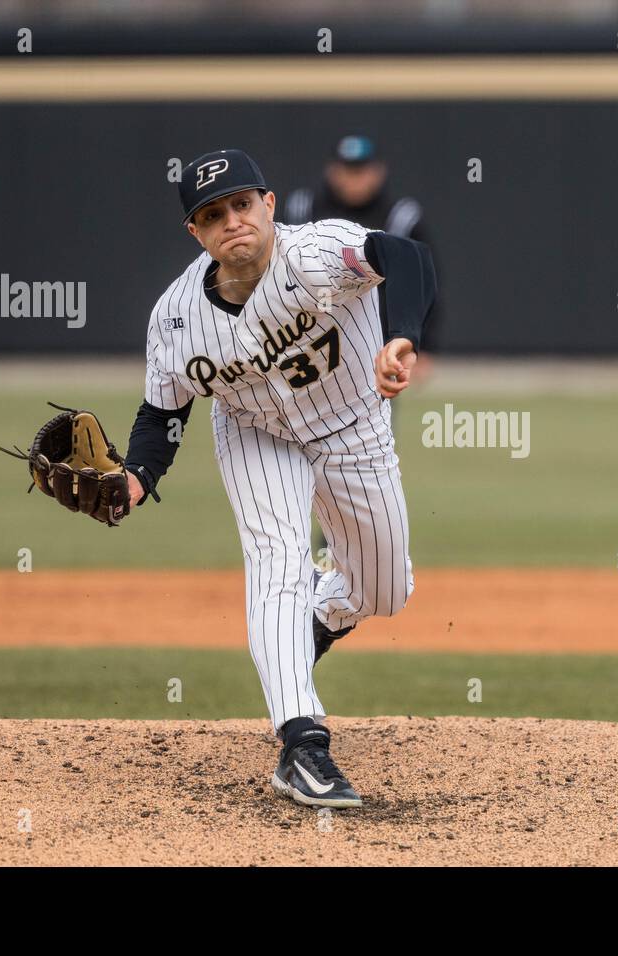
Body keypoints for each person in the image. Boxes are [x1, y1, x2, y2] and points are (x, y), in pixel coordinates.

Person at [122, 148, 436, 809]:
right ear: (196, 233)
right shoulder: (176, 319)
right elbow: (161, 413)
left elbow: (405, 259)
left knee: (386, 590)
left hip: (352, 427)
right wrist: (135, 478)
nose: (231, 220)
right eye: (212, 214)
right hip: (256, 434)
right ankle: (302, 745)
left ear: (268, 205)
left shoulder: (317, 253)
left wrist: (401, 336)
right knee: (276, 560)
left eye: (241, 203)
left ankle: (316, 619)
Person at [285, 135, 444, 352]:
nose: (354, 180)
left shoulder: (400, 217)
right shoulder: (304, 209)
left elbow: (425, 282)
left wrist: (422, 343)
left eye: (361, 171)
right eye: (348, 171)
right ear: (332, 172)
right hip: (312, 335)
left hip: (382, 339)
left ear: (379, 172)